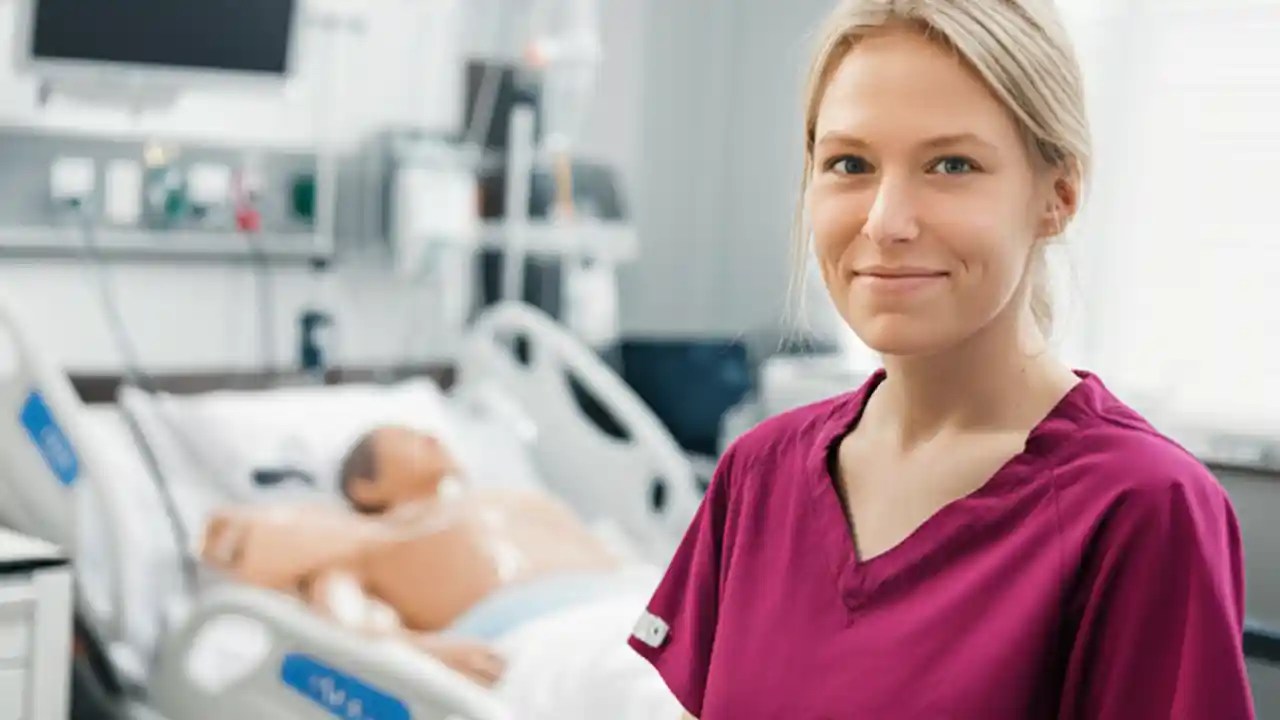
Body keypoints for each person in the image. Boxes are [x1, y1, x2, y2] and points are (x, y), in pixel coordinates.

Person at [627, 2, 1256, 719]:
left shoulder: (1140, 507)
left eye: (951, 164)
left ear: (1058, 196)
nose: (886, 222)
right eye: (850, 163)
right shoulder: (758, 474)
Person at [201, 425, 626, 688]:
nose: (428, 435)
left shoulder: (501, 498)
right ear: (369, 488)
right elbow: (346, 625)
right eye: (404, 437)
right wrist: (422, 652)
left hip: (631, 607)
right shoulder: (366, 542)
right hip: (545, 643)